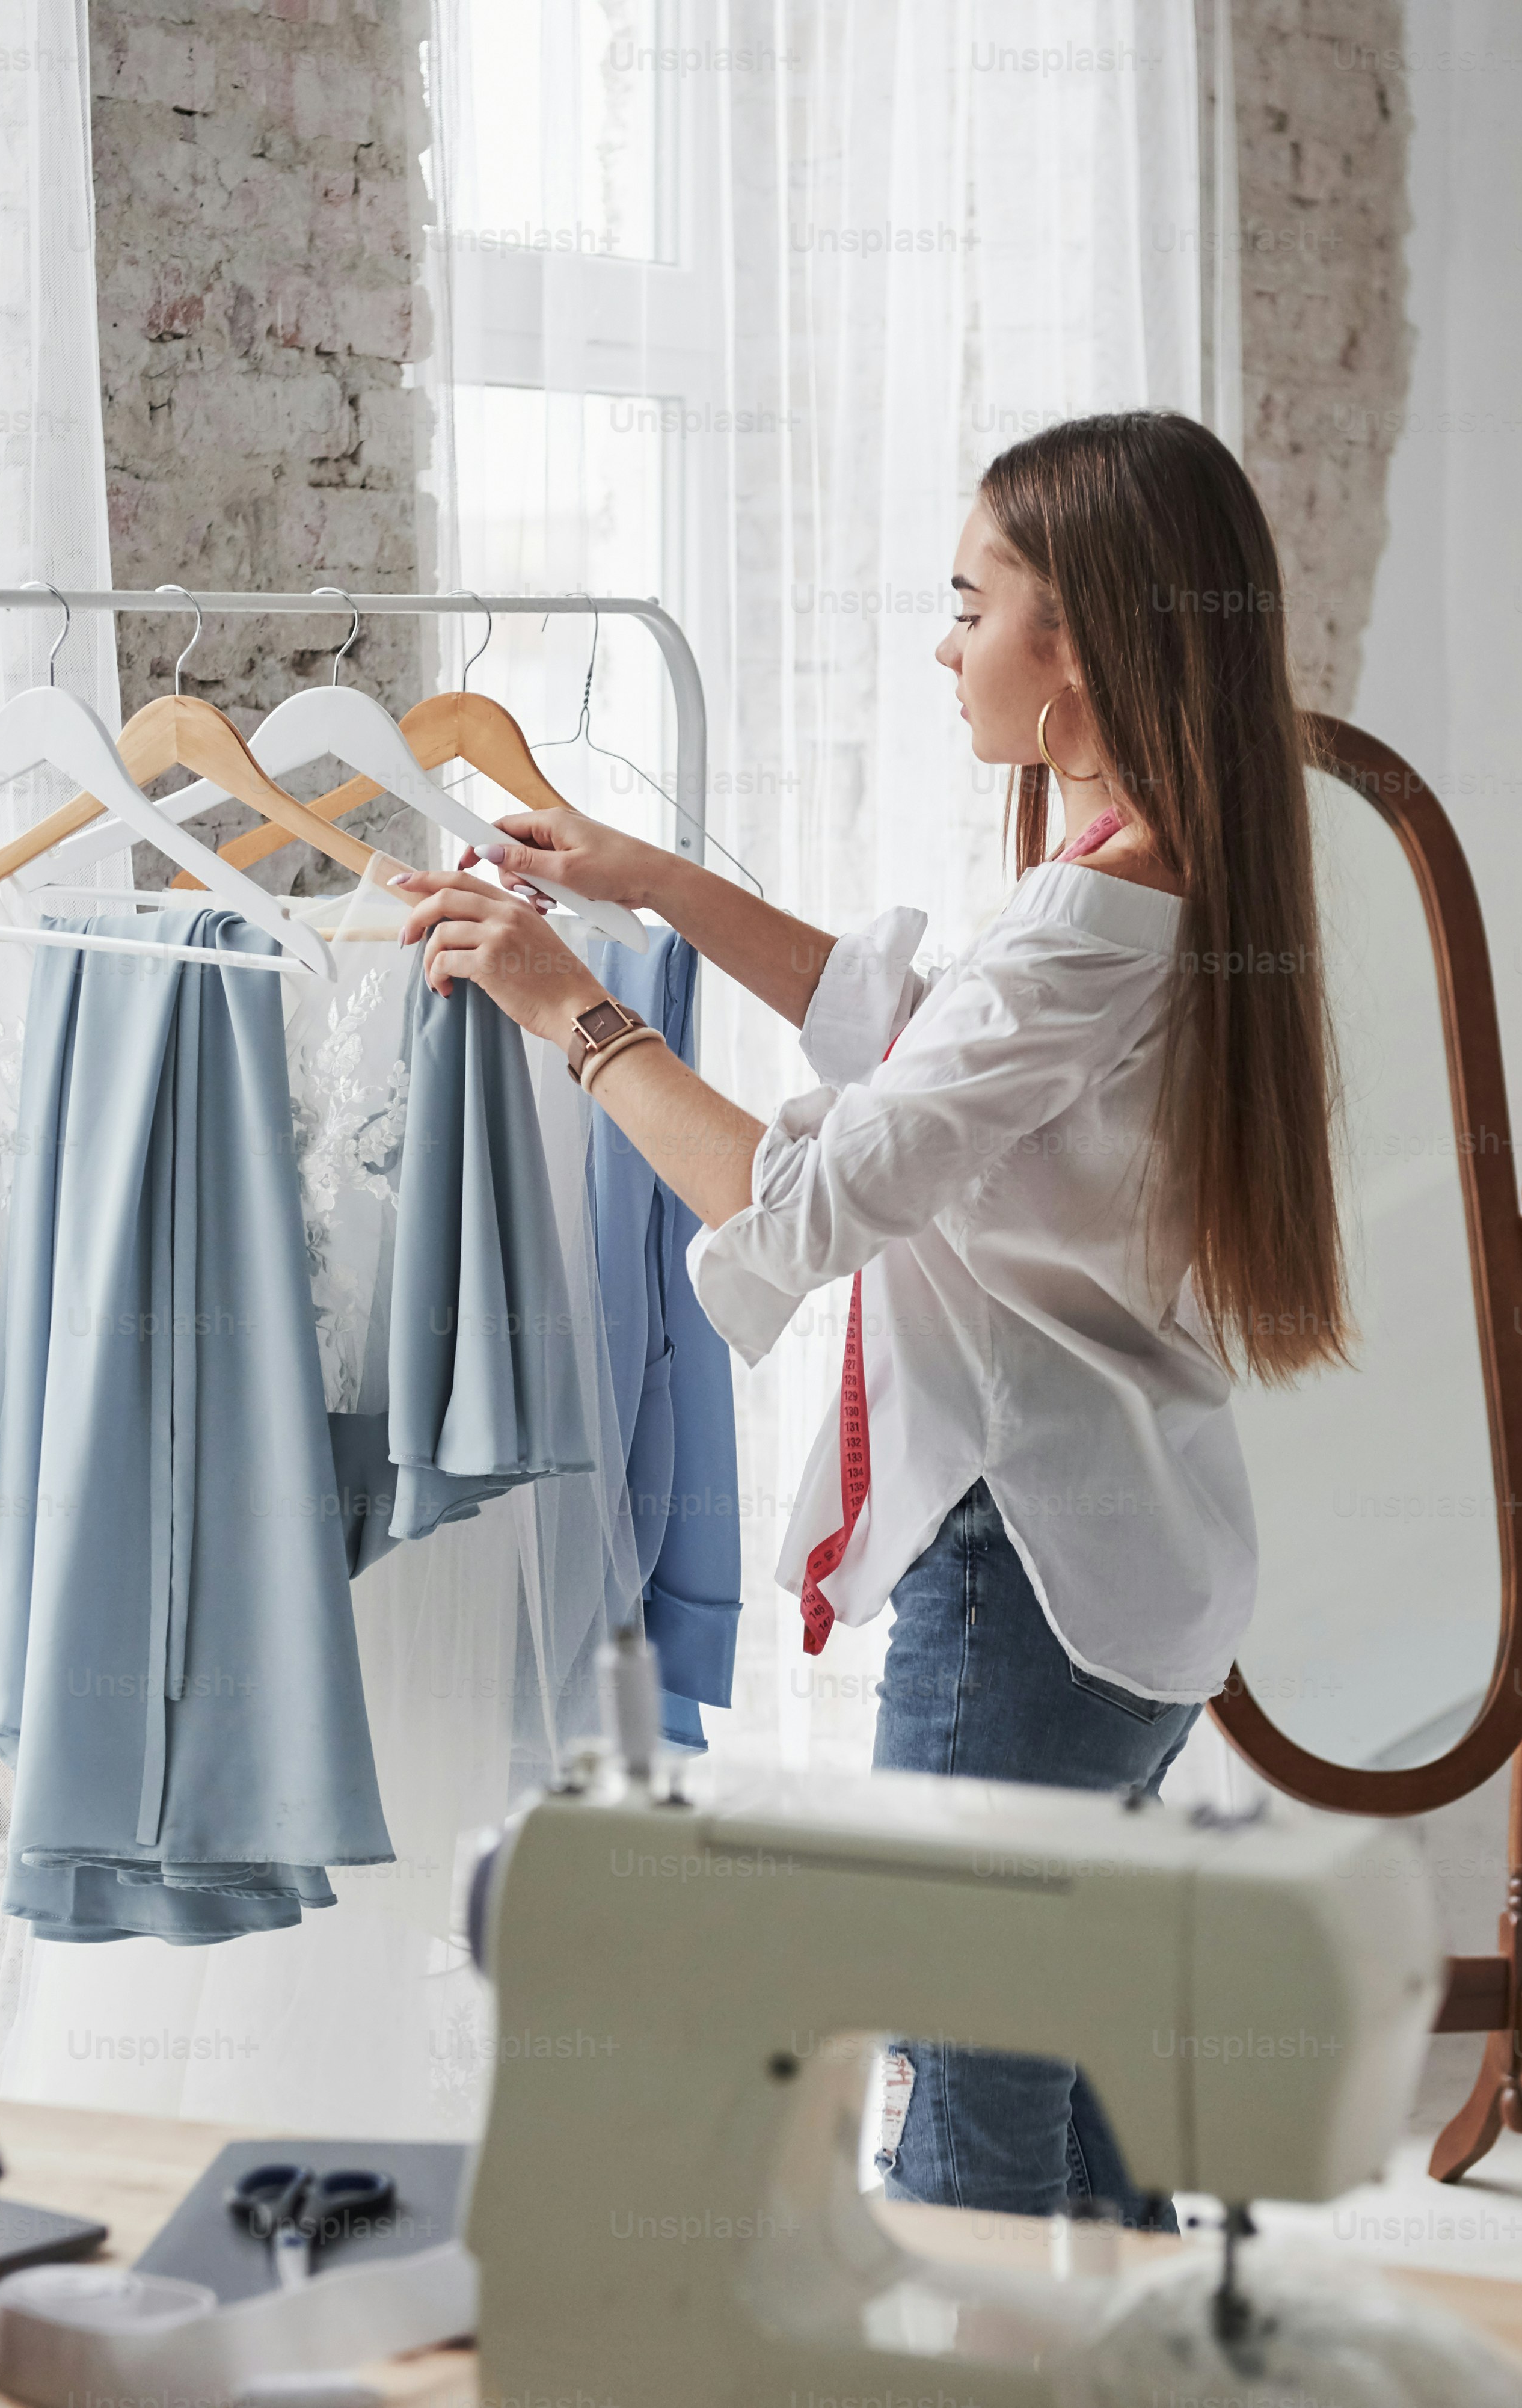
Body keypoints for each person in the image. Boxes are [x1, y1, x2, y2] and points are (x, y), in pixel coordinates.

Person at [392, 407, 1346, 2222]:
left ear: (1079, 648)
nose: (945, 642)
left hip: (1028, 1591)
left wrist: (572, 1013)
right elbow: (914, 1019)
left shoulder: (1092, 918)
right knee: (1075, 2106)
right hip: (1137, 1577)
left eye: (970, 602)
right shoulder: (1164, 874)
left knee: (962, 2126)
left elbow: (813, 1200)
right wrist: (647, 879)